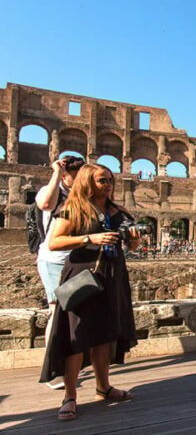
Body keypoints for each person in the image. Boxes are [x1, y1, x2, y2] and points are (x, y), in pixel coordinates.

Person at [40, 164, 139, 421]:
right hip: (82, 274)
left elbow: (133, 244)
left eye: (110, 180)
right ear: (87, 182)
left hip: (112, 274)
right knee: (76, 336)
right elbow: (55, 242)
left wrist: (136, 239)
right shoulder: (73, 208)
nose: (108, 184)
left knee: (105, 334)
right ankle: (70, 396)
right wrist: (89, 239)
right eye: (102, 180)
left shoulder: (118, 211)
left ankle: (103, 387)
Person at [35, 156, 85, 390]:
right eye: (75, 177)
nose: (79, 182)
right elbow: (45, 205)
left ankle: (72, 362)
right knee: (57, 312)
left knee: (75, 312)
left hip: (76, 262)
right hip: (54, 261)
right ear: (65, 176)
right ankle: (53, 368)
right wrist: (56, 171)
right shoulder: (52, 190)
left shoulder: (82, 196)